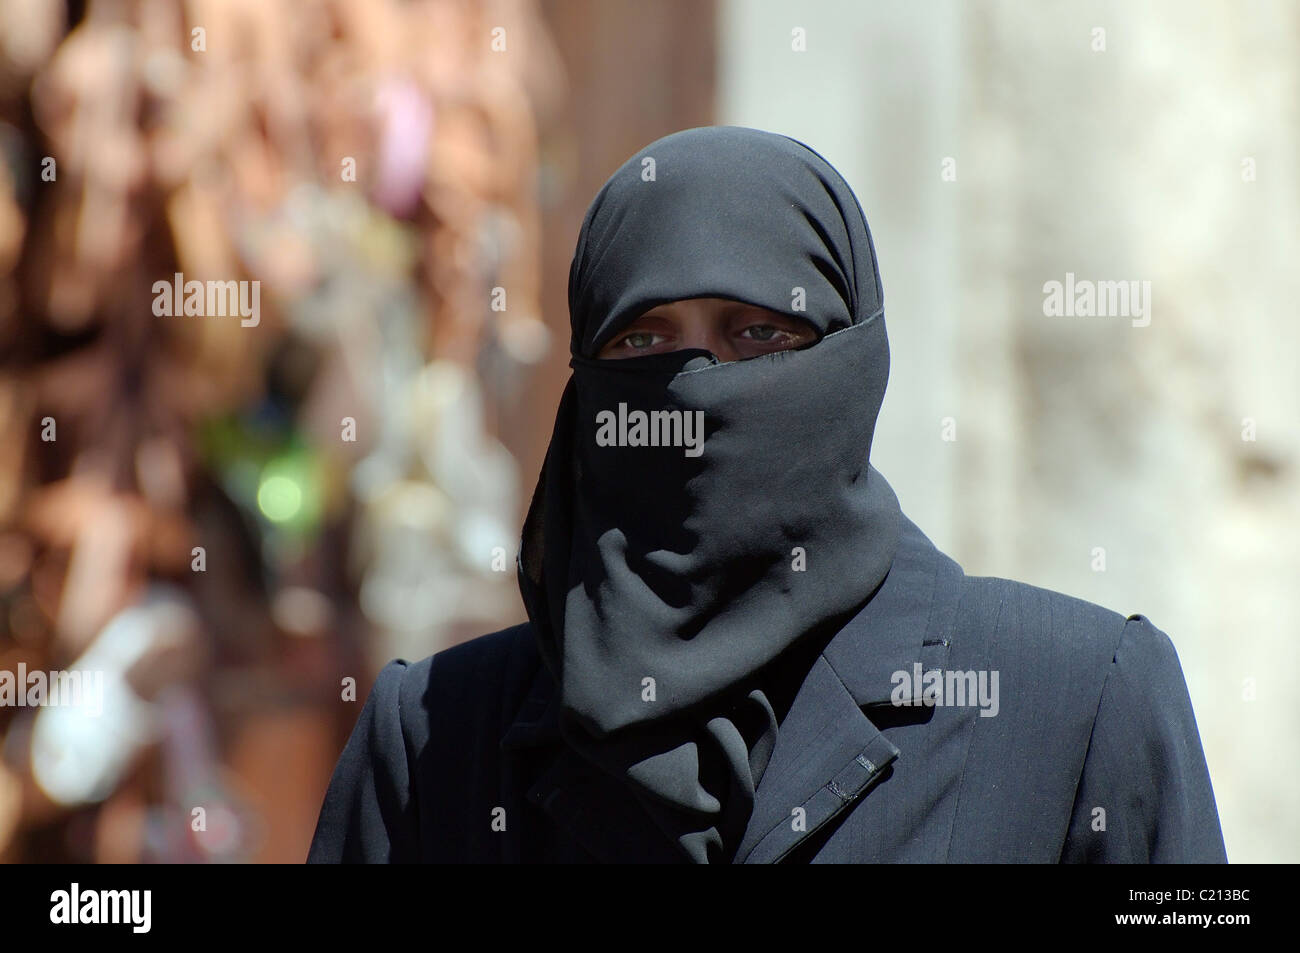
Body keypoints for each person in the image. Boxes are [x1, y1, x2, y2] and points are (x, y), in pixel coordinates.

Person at [306, 125, 1228, 864]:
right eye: (643, 342)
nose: (697, 388)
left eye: (759, 334)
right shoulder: (442, 740)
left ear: (853, 362)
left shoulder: (1073, 704)